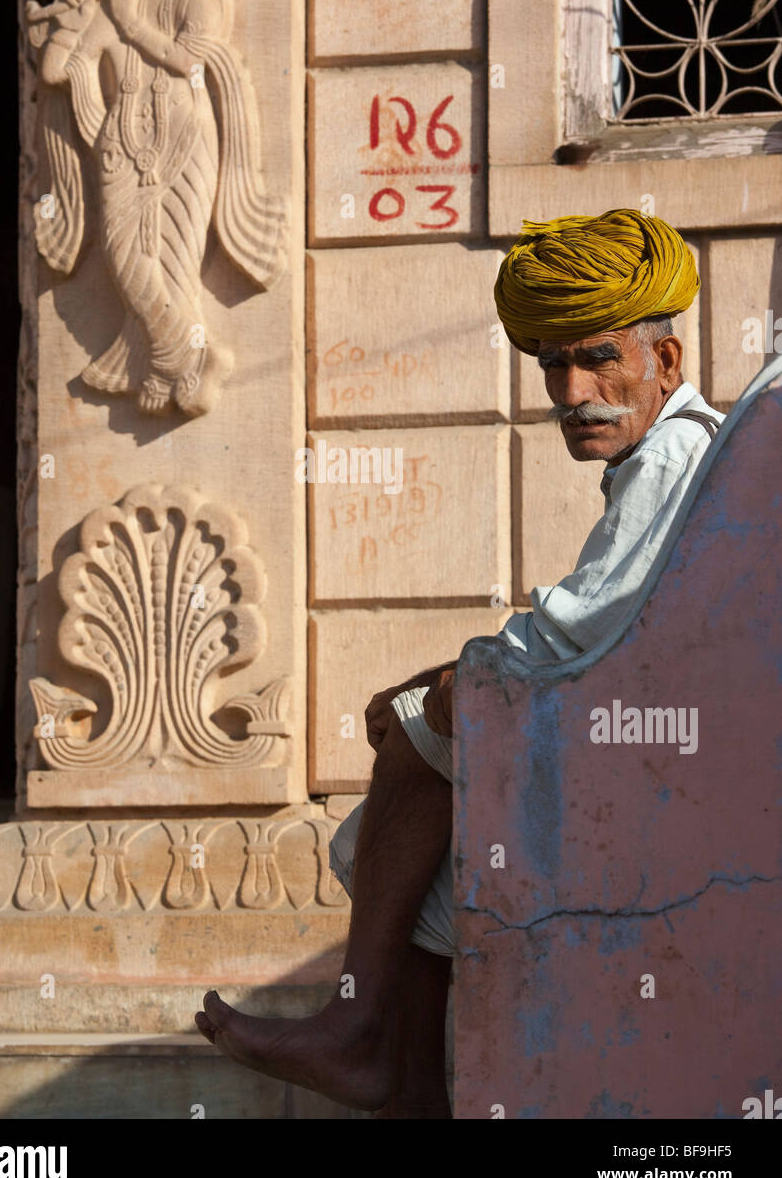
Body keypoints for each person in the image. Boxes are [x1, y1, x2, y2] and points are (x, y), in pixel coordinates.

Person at [194, 208, 724, 1117]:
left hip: (660, 778)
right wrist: (441, 684)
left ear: (663, 364)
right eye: (554, 363)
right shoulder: (665, 457)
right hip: (643, 753)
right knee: (412, 840)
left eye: (600, 357)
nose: (573, 387)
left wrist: (435, 693)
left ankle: (359, 1035)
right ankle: (390, 1073)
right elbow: (594, 626)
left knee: (418, 742)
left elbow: (569, 634)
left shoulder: (672, 455)